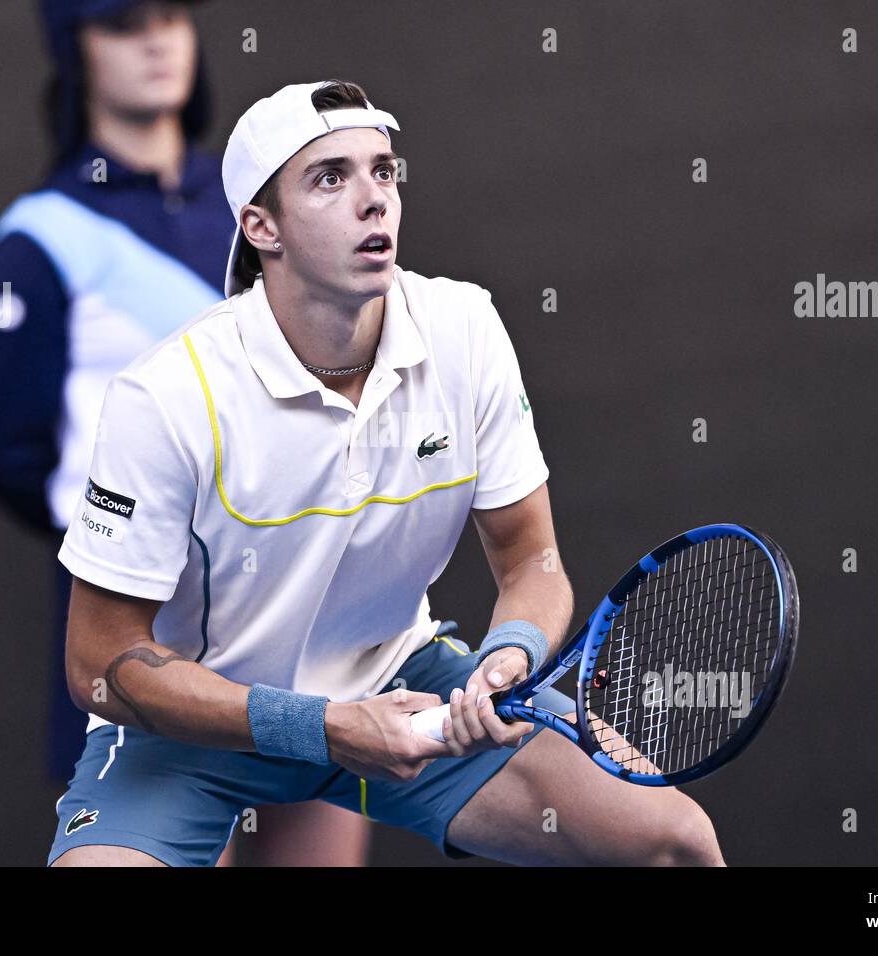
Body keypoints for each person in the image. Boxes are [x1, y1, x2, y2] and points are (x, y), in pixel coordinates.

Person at [47, 79, 725, 866]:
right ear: (260, 226)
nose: (374, 199)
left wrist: (508, 657)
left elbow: (530, 558)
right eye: (330, 177)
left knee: (673, 845)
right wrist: (316, 726)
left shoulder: (464, 329)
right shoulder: (163, 397)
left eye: (384, 171)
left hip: (397, 680)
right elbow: (97, 664)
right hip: (196, 726)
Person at [0, 1, 370, 864]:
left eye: (171, 15)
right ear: (75, 48)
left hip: (312, 634)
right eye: (121, 22)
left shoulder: (268, 210)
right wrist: (151, 543)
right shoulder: (34, 245)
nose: (155, 40)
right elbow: (10, 454)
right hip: (150, 647)